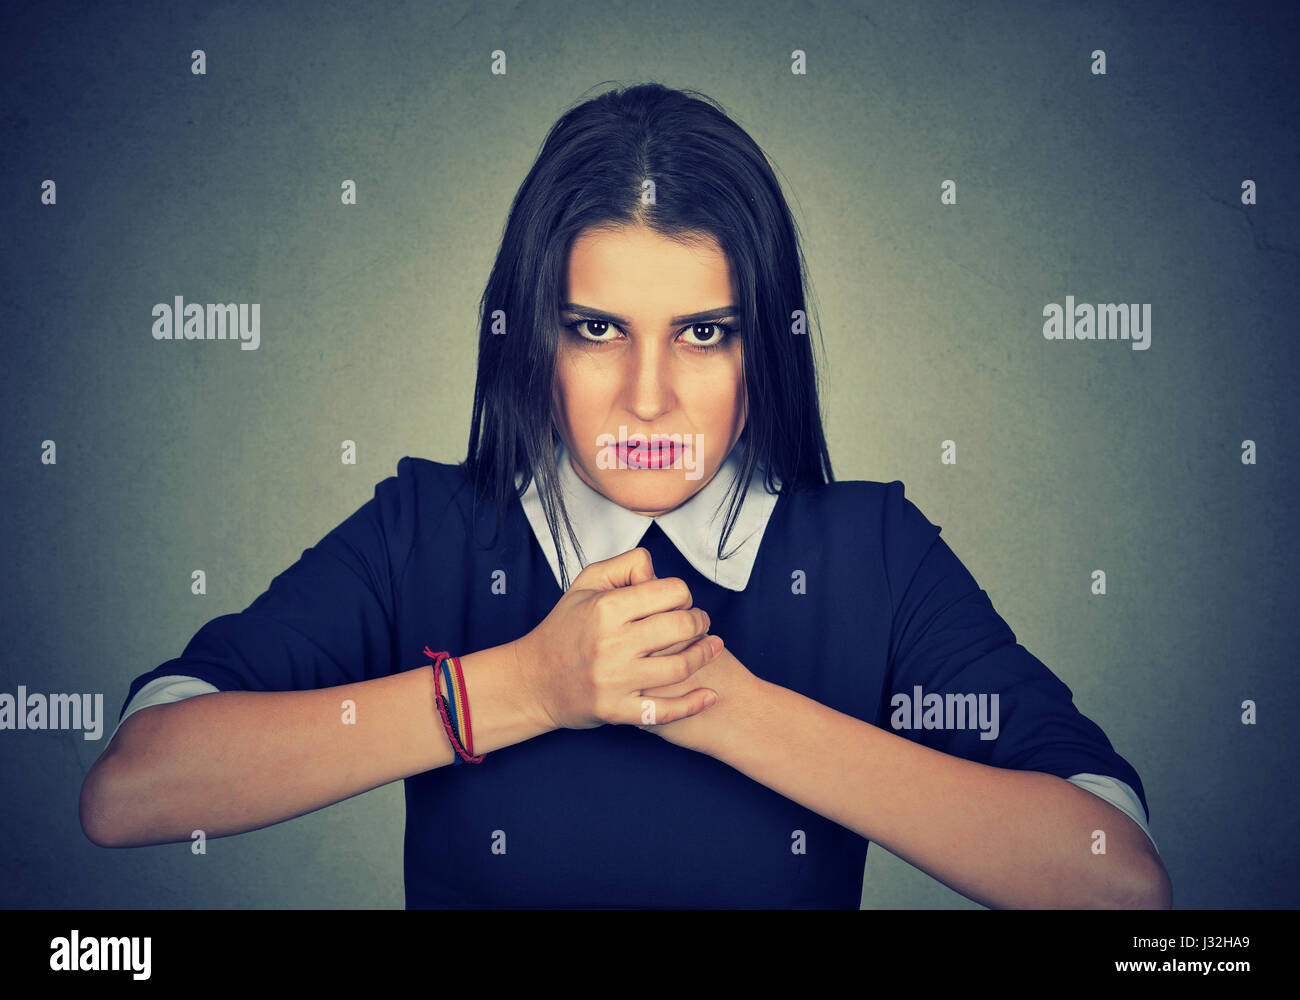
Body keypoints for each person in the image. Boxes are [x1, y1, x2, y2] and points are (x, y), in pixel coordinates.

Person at [80, 82, 1172, 909]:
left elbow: (1116, 877)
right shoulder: (429, 532)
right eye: (597, 328)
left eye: (704, 332)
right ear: (532, 341)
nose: (647, 400)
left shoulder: (870, 553)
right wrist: (524, 687)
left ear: (765, 351)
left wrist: (726, 705)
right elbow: (135, 787)